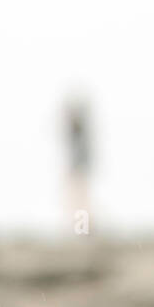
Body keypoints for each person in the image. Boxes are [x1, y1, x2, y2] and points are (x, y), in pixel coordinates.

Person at [65, 98, 92, 232]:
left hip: (79, 172)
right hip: (77, 171)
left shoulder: (80, 136)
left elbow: (82, 155)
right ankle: (80, 230)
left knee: (80, 204)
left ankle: (82, 230)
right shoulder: (75, 135)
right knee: (77, 203)